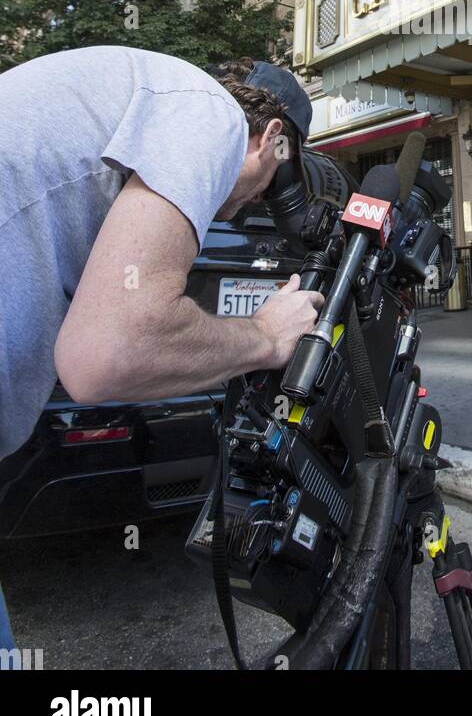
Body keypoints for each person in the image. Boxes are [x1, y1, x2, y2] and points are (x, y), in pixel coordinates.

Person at [0, 46, 324, 660]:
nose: (256, 203)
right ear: (269, 138)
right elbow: (108, 353)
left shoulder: (138, 104)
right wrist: (265, 337)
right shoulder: (209, 112)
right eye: (273, 183)